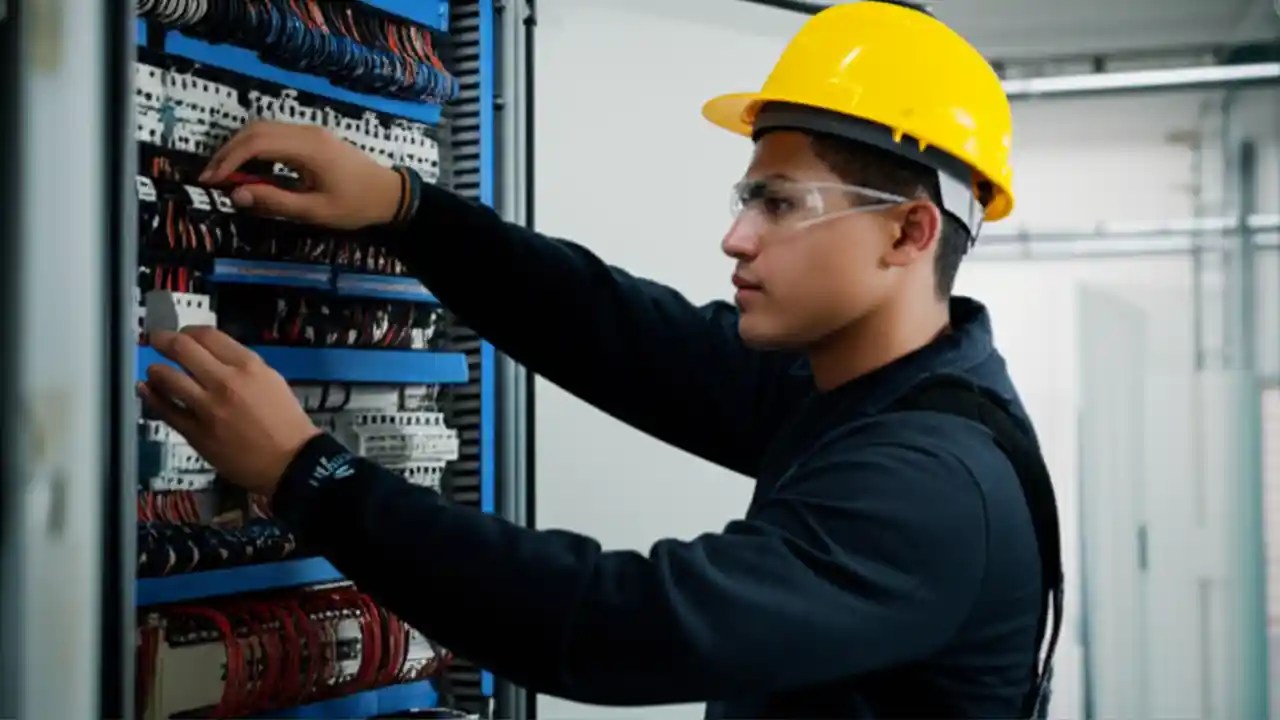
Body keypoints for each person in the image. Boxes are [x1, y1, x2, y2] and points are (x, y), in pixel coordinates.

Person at [138, 2, 1061, 718]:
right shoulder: (870, 393)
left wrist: (309, 475)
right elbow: (617, 332)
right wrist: (405, 207)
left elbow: (618, 624)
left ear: (910, 230)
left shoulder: (932, 485)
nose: (736, 237)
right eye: (747, 197)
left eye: (781, 204)